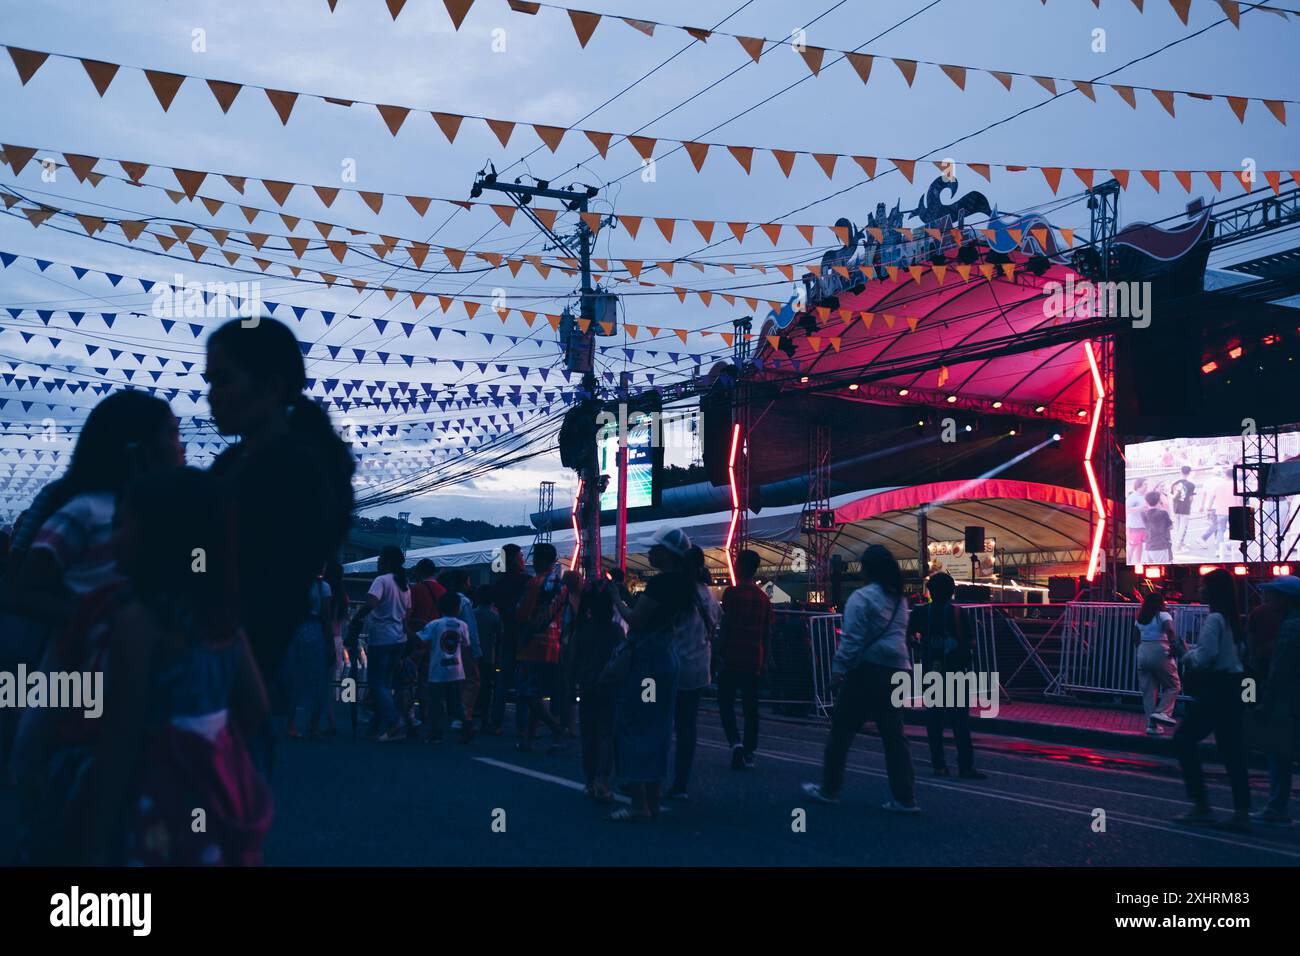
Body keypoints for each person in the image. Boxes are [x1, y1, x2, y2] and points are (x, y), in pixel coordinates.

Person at [85, 468, 272, 865]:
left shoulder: (139, 621)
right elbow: (256, 707)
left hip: (154, 797)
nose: (112, 538)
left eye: (123, 524)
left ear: (159, 538)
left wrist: (95, 835)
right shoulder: (224, 621)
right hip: (214, 791)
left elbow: (122, 734)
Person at [204, 316, 355, 687]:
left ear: (271, 386)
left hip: (234, 667)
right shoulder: (238, 462)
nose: (212, 395)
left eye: (223, 380)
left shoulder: (295, 473)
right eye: (209, 381)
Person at [11, 391, 184, 632]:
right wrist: (96, 622)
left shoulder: (174, 512)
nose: (181, 446)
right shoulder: (82, 510)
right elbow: (23, 589)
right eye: (173, 433)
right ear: (139, 446)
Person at [803, 545, 919, 813]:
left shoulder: (861, 598)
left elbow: (852, 640)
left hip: (868, 671)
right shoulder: (899, 599)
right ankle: (905, 797)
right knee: (894, 735)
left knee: (841, 731)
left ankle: (829, 789)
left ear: (866, 569)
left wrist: (838, 671)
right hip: (898, 669)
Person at [606, 526, 689, 822]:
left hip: (647, 666)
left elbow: (635, 620)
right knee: (658, 728)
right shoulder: (684, 584)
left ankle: (639, 802)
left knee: (634, 725)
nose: (650, 553)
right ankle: (652, 800)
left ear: (667, 554)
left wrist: (616, 597)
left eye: (655, 549)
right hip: (666, 660)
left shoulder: (661, 585)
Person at [1172, 568, 1251, 830]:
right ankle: (1241, 812)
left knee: (1183, 740)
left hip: (1216, 689)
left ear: (1213, 591)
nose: (1199, 588)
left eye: (1204, 585)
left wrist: (1184, 652)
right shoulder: (1233, 620)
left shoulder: (1214, 620)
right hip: (1232, 689)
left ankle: (1201, 805)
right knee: (1232, 751)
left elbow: (1205, 659)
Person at [907, 572, 985, 778]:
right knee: (960, 722)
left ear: (931, 591)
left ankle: (939, 765)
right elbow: (970, 642)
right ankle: (966, 766)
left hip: (931, 672)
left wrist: (920, 645)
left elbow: (907, 635)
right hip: (956, 672)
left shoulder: (920, 613)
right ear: (952, 592)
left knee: (934, 721)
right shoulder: (959, 614)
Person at [666, 545, 718, 799]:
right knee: (688, 726)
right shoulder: (708, 594)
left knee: (660, 722)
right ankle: (681, 783)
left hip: (673, 667)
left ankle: (648, 778)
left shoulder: (677, 593)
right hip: (700, 668)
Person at [718, 549, 772, 770]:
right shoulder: (763, 598)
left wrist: (718, 652)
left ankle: (735, 742)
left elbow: (726, 626)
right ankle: (749, 750)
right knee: (751, 708)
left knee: (725, 703)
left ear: (739, 566)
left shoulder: (731, 594)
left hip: (732, 656)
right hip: (753, 658)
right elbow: (767, 632)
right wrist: (767, 659)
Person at [1253, 575, 1300, 825]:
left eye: (1274, 594)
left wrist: (1262, 699)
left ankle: (1276, 806)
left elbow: (1279, 667)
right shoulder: (1284, 621)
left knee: (1279, 752)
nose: (1269, 598)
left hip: (1284, 698)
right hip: (1284, 694)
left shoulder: (1289, 625)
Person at [513, 543, 567, 752]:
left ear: (541, 560)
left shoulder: (534, 583)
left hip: (532, 643)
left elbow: (522, 613)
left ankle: (555, 728)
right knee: (538, 692)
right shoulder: (561, 585)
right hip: (554, 642)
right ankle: (528, 738)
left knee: (527, 693)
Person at [572, 581, 623, 803]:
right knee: (606, 733)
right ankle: (602, 779)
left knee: (588, 733)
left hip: (586, 684)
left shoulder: (581, 628)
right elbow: (623, 657)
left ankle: (590, 779)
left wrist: (571, 682)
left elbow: (571, 659)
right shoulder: (615, 630)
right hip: (610, 686)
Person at [356, 546, 411, 742]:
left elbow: (370, 604)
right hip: (399, 639)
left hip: (381, 637)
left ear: (387, 561)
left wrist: (357, 617)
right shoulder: (405, 585)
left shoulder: (381, 580)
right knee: (385, 685)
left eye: (380, 559)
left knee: (377, 684)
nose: (378, 562)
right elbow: (406, 616)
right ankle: (374, 728)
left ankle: (396, 722)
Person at [284, 568, 333, 740]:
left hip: (297, 632)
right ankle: (313, 725)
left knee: (296, 678)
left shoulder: (296, 585)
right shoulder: (324, 587)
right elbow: (326, 617)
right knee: (319, 679)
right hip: (315, 632)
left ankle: (291, 724)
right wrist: (330, 644)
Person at [418, 590, 471, 744]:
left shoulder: (435, 624)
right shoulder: (462, 625)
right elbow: (467, 644)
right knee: (455, 702)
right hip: (456, 669)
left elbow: (420, 638)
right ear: (458, 608)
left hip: (437, 670)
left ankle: (436, 732)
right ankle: (467, 724)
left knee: (435, 702)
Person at [488, 543, 530, 735]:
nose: (523, 560)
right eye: (521, 556)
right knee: (524, 682)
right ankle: (523, 726)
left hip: (506, 636)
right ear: (513, 559)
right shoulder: (527, 582)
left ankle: (495, 722)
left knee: (503, 682)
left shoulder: (498, 584)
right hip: (525, 637)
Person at [438, 569, 481, 740]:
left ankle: (450, 714)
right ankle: (463, 716)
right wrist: (476, 650)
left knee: (452, 681)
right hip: (462, 645)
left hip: (445, 644)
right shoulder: (464, 601)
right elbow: (471, 628)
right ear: (465, 582)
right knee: (472, 680)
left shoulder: (444, 598)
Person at [1132, 591, 1182, 735]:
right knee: (1173, 685)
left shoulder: (1140, 618)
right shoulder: (1163, 615)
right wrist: (1173, 646)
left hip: (1143, 651)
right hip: (1160, 649)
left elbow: (1135, 637)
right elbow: (1170, 630)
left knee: (1148, 691)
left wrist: (1141, 649)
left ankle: (1151, 726)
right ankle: (1163, 712)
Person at [472, 585, 501, 728]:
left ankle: (470, 712)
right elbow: (499, 636)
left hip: (473, 655)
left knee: (473, 684)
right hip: (490, 655)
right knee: (487, 686)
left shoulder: (472, 614)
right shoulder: (495, 616)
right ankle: (485, 717)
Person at [1142, 491, 1174, 565]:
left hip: (1149, 546)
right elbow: (1170, 526)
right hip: (1160, 546)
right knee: (1163, 567)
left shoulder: (1143, 514)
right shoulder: (1163, 513)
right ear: (1159, 501)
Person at [1170, 466, 1197, 552]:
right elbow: (1191, 498)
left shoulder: (1174, 483)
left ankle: (1180, 543)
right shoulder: (1191, 485)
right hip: (1185, 507)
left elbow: (1173, 496)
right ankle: (1178, 545)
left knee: (1178, 526)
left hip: (1176, 506)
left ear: (1180, 472)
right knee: (1183, 527)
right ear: (1189, 473)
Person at [1125, 477, 1148, 565]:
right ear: (1139, 486)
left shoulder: (1144, 496)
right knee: (1132, 546)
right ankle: (1129, 562)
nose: (1146, 487)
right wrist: (1140, 508)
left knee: (1140, 545)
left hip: (1143, 525)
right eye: (1145, 485)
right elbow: (1126, 509)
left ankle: (1138, 563)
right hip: (1134, 526)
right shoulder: (1132, 497)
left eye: (1147, 485)